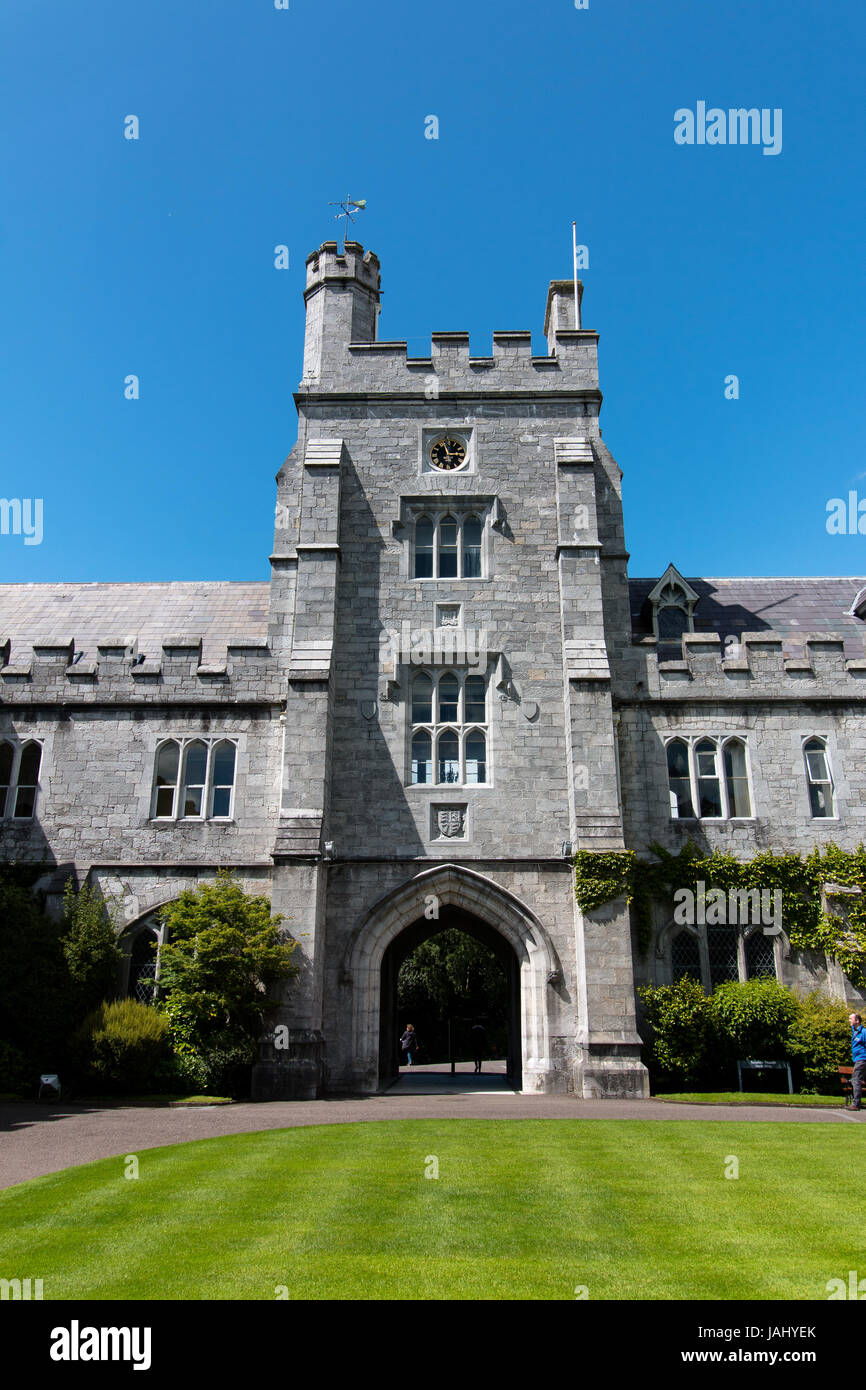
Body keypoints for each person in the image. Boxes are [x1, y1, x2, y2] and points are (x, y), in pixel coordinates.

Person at [849, 1013, 866, 1110]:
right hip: (858, 1059)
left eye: (851, 1019)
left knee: (855, 1080)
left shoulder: (863, 1033)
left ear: (857, 1021)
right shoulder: (855, 1031)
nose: (849, 1020)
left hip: (862, 1059)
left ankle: (856, 1104)